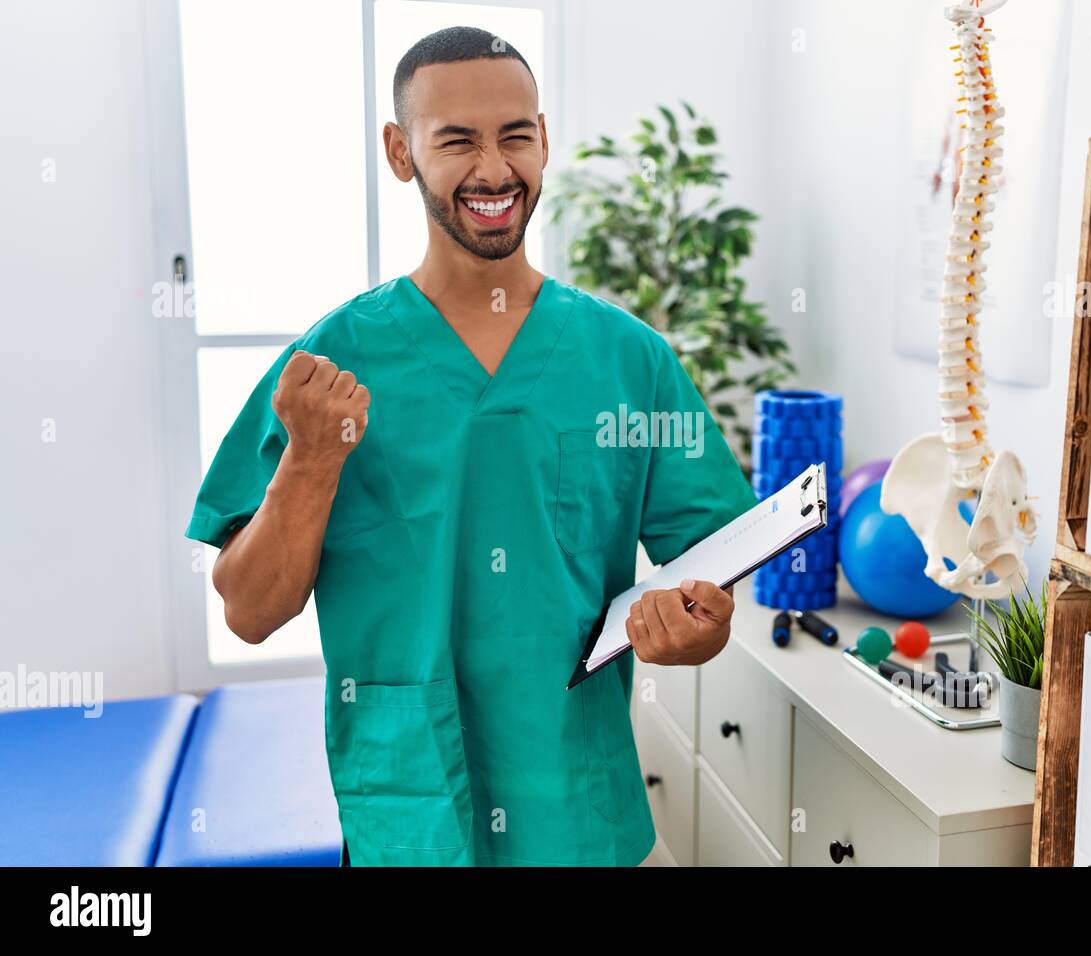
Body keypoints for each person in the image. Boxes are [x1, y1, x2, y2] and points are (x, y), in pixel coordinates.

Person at [186, 26, 756, 866]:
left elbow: (705, 590)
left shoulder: (631, 360)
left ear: (544, 141)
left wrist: (694, 631)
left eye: (515, 136)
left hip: (578, 810)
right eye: (457, 141)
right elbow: (250, 611)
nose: (493, 170)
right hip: (413, 808)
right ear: (399, 150)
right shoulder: (333, 360)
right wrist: (310, 461)